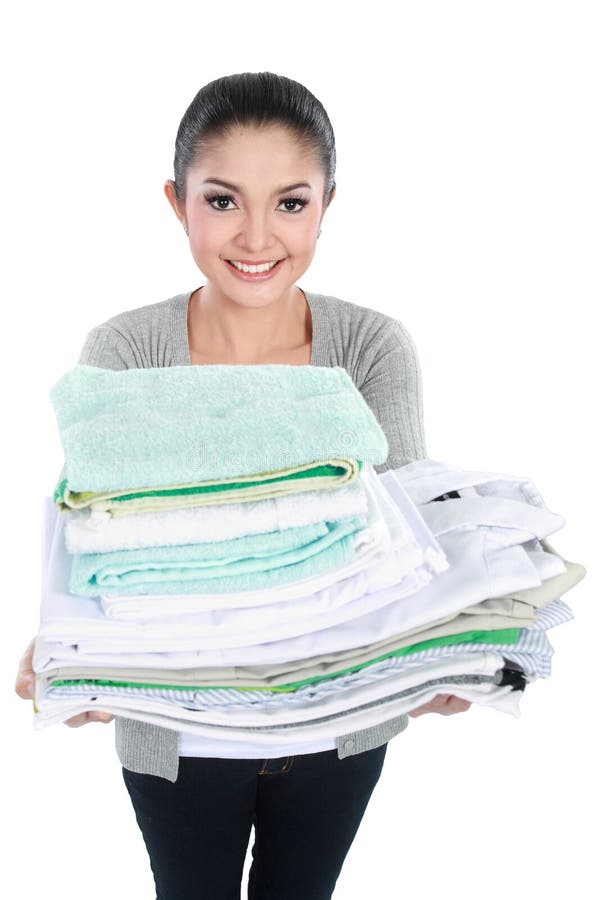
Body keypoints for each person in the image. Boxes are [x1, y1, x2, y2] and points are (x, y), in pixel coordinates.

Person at [15, 71, 471, 900]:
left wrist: (436, 650)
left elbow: (405, 533)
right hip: (178, 734)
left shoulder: (370, 347)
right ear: (176, 201)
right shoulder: (124, 350)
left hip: (339, 723)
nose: (258, 236)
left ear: (327, 203)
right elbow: (101, 528)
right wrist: (79, 644)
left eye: (291, 203)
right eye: (222, 200)